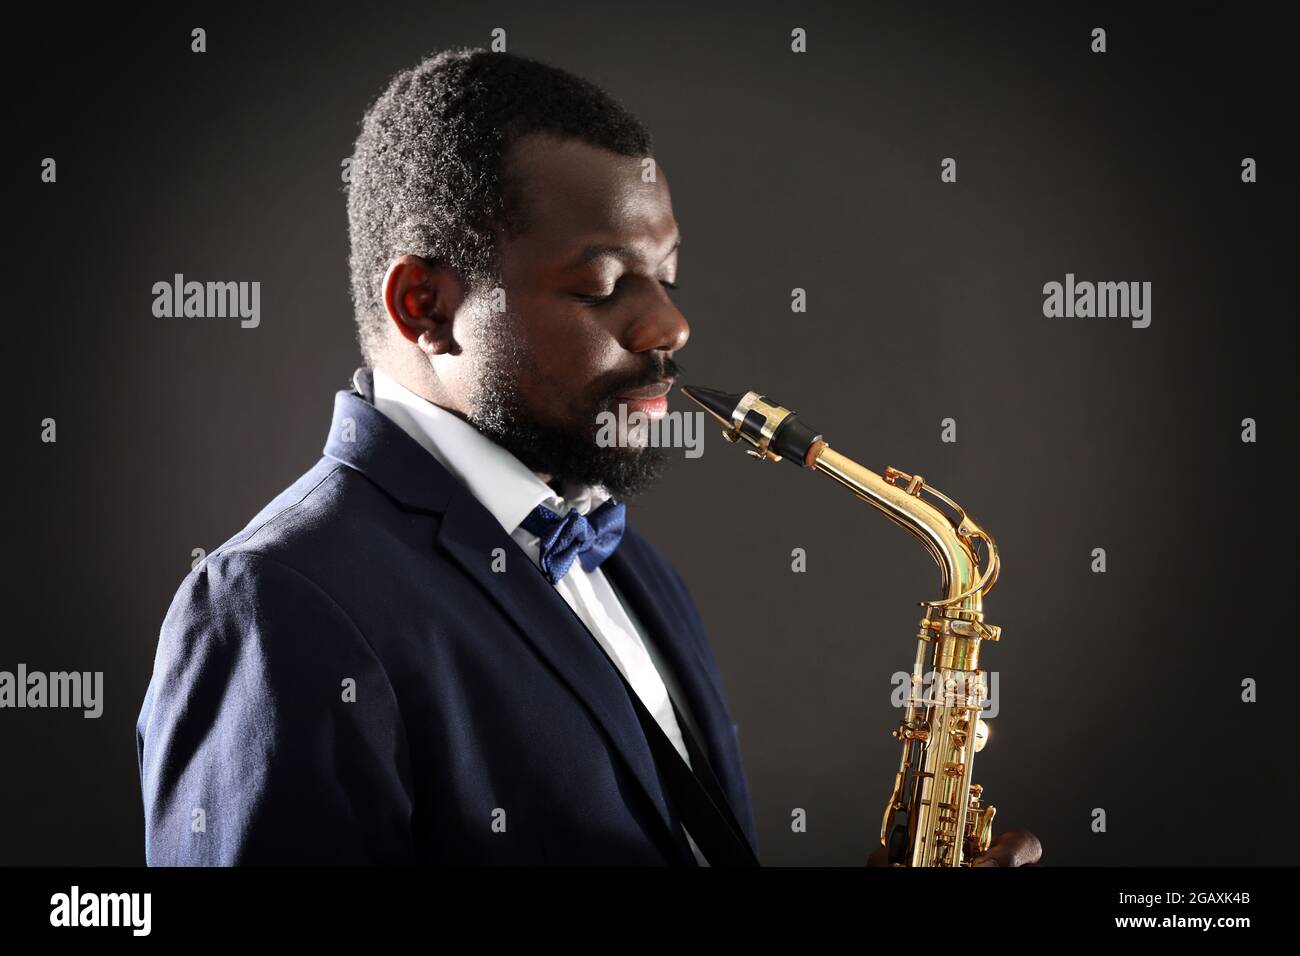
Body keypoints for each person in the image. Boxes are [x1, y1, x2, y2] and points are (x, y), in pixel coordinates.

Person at [136, 47, 1040, 867]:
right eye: (605, 286)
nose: (671, 326)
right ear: (424, 304)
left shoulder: (633, 566)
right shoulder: (271, 608)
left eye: (668, 277)